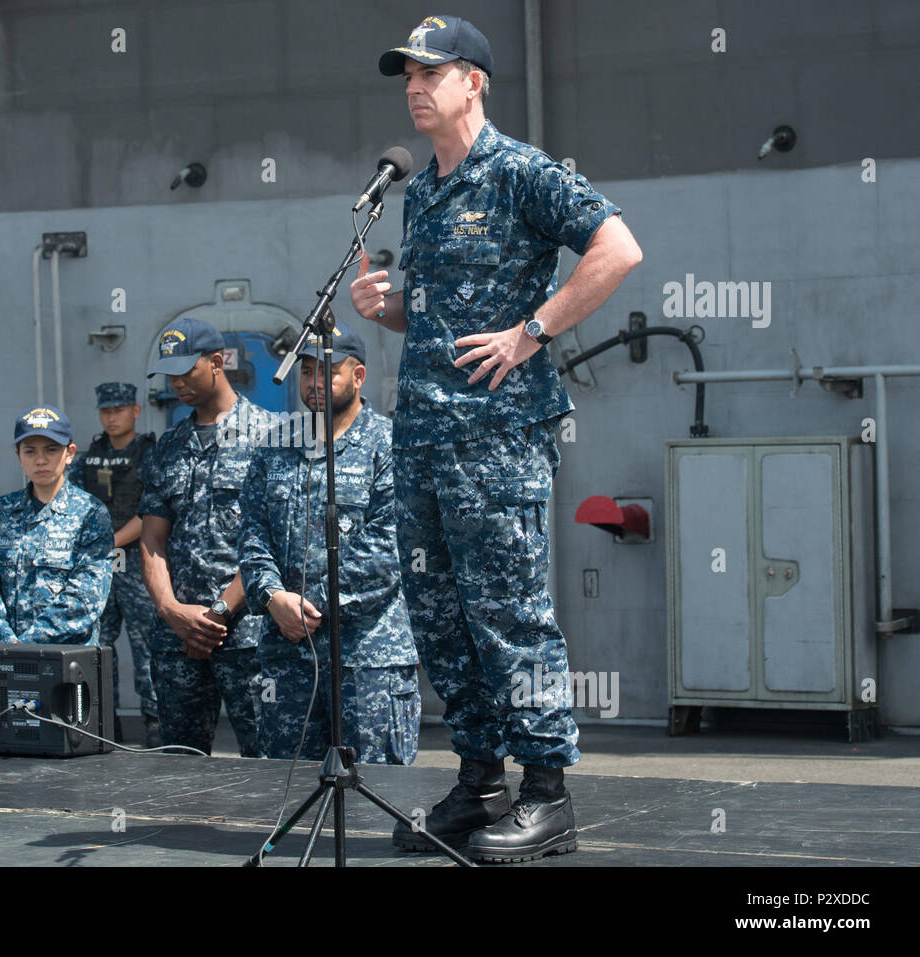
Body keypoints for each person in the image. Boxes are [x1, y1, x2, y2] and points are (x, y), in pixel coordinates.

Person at [350, 15, 643, 862]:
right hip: (426, 440)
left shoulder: (518, 171)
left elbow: (617, 248)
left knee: (512, 615)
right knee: (442, 618)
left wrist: (532, 332)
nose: (414, 86)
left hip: (499, 441)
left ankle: (547, 793)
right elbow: (440, 318)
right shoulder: (424, 188)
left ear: (473, 81)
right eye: (406, 74)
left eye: (430, 73)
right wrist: (388, 311)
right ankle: (478, 779)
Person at [238, 321, 420, 764]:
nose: (314, 383)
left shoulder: (390, 444)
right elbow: (251, 533)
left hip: (367, 659)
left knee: (376, 795)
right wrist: (272, 597)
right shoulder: (275, 445)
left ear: (357, 376)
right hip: (288, 656)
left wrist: (309, 606)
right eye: (306, 372)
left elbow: (387, 548)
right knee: (289, 784)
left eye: (327, 371)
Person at [137, 318, 271, 756]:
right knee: (179, 765)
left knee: (268, 763)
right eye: (169, 374)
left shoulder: (269, 437)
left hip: (249, 635)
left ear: (217, 362)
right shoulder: (168, 447)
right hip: (177, 637)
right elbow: (152, 540)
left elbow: (276, 540)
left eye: (185, 370)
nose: (176, 382)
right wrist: (170, 609)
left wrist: (215, 614)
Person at [0, 406, 114, 646]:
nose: (40, 460)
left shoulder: (90, 513)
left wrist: (28, 645)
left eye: (51, 450)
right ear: (18, 456)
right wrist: (7, 644)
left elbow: (87, 598)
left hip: (68, 659)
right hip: (7, 657)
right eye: (30, 451)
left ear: (70, 453)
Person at [70, 382, 161, 748]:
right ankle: (103, 727)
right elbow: (75, 508)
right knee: (98, 650)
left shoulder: (152, 456)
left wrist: (109, 541)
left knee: (147, 650)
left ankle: (156, 728)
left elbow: (152, 511)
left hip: (139, 568)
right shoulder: (88, 459)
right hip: (98, 571)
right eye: (105, 411)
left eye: (119, 409)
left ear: (135, 411)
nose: (111, 417)